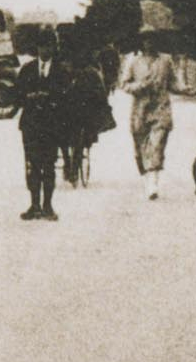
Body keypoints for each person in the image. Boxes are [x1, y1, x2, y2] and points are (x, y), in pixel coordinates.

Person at [15, 28, 71, 220]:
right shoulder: (27, 69)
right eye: (41, 46)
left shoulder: (61, 71)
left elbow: (67, 97)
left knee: (48, 165)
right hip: (30, 124)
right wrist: (29, 97)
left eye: (48, 46)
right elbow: (17, 94)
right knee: (32, 165)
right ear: (37, 48)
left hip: (52, 125)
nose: (44, 50)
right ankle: (34, 204)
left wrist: (49, 98)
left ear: (54, 48)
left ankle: (47, 205)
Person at [121, 24, 178, 200]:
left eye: (152, 39)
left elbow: (173, 83)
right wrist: (140, 86)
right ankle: (147, 177)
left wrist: (187, 89)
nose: (149, 43)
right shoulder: (133, 61)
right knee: (140, 150)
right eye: (145, 39)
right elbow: (124, 84)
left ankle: (153, 184)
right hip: (140, 110)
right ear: (141, 42)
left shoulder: (165, 61)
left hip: (161, 109)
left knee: (157, 144)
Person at [62, 40, 112, 188]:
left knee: (78, 136)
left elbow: (100, 94)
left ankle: (72, 165)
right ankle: (68, 162)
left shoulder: (91, 72)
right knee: (61, 131)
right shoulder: (66, 69)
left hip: (83, 110)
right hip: (68, 108)